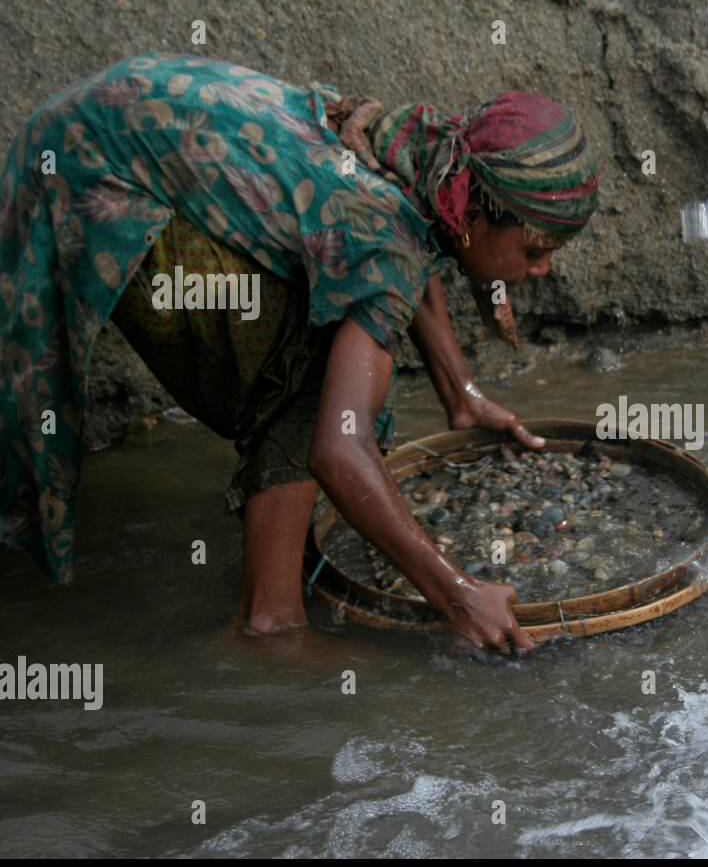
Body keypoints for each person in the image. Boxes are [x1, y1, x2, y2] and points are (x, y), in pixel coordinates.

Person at [0, 52, 599, 652]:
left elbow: (414, 247)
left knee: (348, 341)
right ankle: (270, 623)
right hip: (84, 169)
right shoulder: (384, 239)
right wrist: (457, 594)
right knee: (321, 364)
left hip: (113, 112)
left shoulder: (418, 153)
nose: (542, 269)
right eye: (534, 249)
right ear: (470, 214)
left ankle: (269, 600)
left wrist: (461, 394)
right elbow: (341, 450)